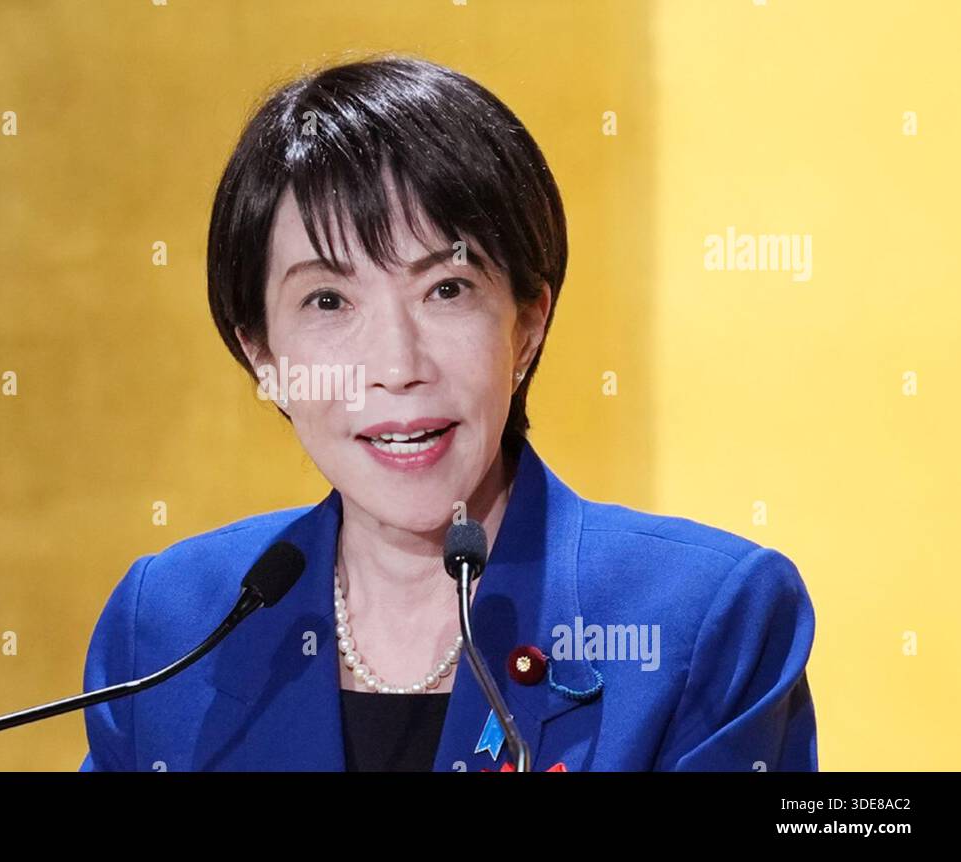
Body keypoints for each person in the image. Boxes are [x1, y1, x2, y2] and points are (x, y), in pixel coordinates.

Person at [78, 55, 817, 772]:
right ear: (263, 357)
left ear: (527, 326)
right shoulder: (169, 630)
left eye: (447, 290)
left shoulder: (703, 620)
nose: (397, 366)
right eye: (329, 301)